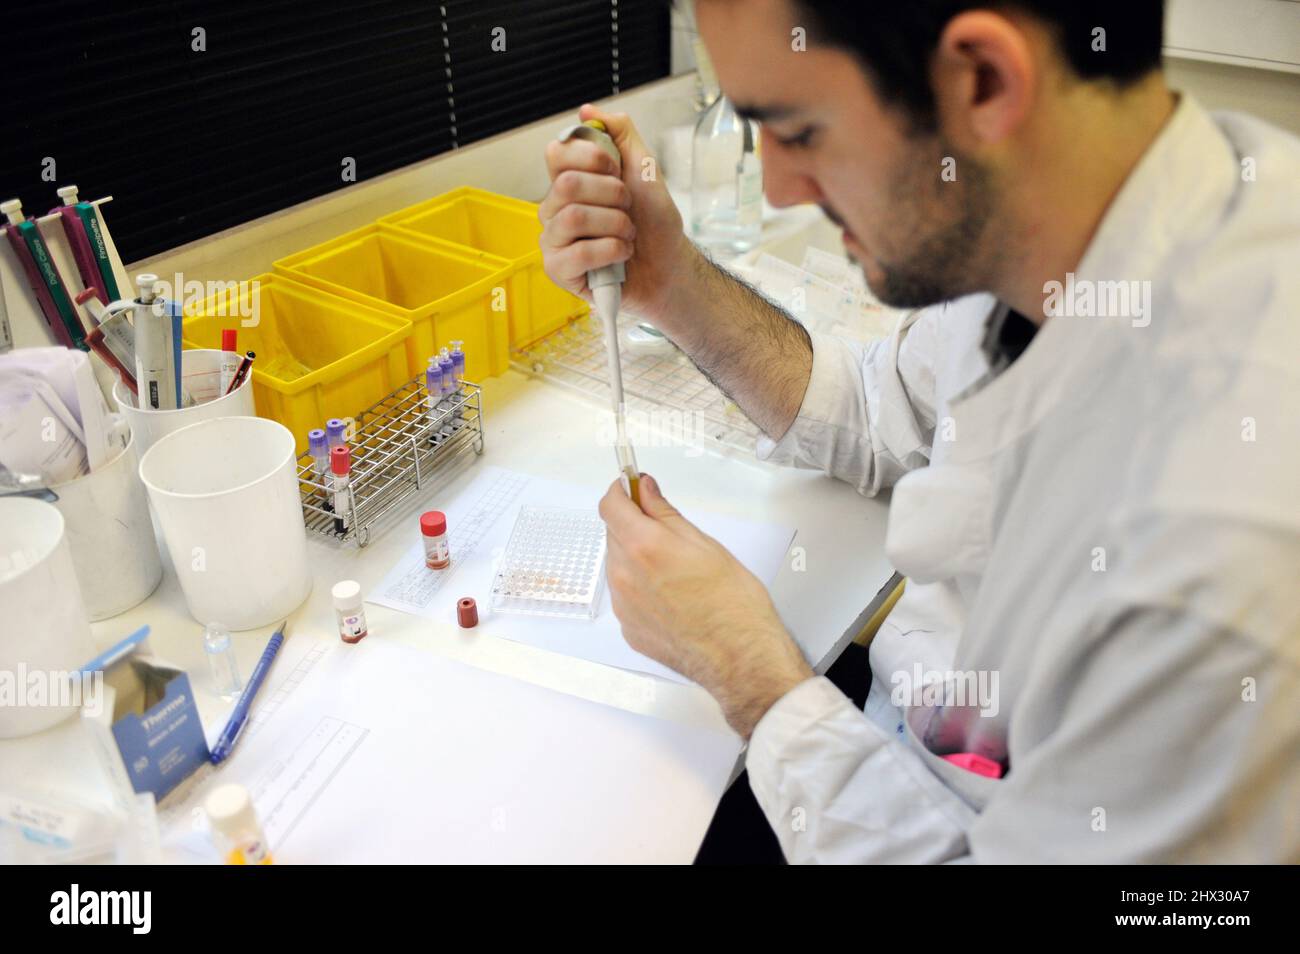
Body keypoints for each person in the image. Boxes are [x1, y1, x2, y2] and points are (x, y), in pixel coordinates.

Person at [539, 0, 1300, 862]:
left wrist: (747, 672)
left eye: (799, 130)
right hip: (902, 745)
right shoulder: (1058, 215)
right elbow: (877, 409)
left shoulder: (1221, 544)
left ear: (982, 79)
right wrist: (671, 283)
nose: (781, 188)